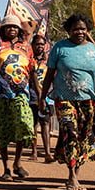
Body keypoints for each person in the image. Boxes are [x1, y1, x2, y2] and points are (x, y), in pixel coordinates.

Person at [38, 14, 95, 190]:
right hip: (64, 99)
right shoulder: (60, 48)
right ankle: (71, 176)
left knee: (83, 136)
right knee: (70, 132)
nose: (79, 32)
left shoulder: (93, 50)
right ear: (69, 30)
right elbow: (50, 74)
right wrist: (43, 97)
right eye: (75, 29)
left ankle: (76, 173)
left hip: (88, 100)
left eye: (82, 28)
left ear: (87, 30)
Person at [0, 15, 40, 181]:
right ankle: (6, 168)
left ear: (19, 30)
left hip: (21, 94)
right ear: (3, 30)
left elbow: (32, 71)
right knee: (2, 130)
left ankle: (18, 162)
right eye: (8, 27)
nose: (12, 30)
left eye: (14, 27)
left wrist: (40, 94)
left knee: (24, 125)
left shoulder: (26, 48)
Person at [30, 34, 54, 163]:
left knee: (46, 124)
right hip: (32, 97)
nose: (39, 47)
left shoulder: (49, 61)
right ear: (32, 46)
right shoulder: (28, 60)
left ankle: (47, 152)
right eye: (37, 44)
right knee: (33, 124)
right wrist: (39, 95)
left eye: (41, 44)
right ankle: (34, 151)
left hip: (48, 98)